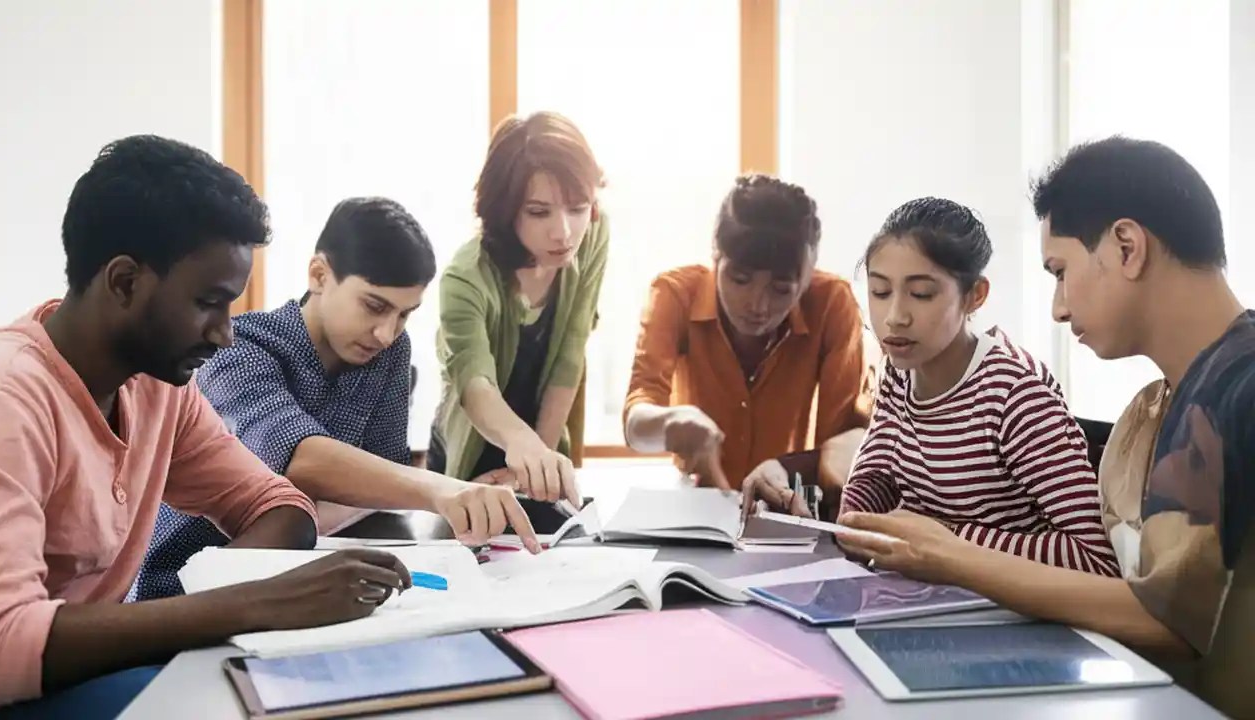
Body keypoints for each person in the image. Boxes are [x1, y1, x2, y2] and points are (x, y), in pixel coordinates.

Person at [0, 136, 409, 717]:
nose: (225, 333)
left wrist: (238, 604)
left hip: (96, 673)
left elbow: (276, 504)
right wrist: (255, 603)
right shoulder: (2, 398)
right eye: (209, 302)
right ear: (125, 282)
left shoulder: (158, 386)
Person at [837, 138, 1254, 717]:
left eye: (1061, 272)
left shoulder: (1237, 389)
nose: (1057, 308)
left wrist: (948, 550)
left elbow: (1171, 623)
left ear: (1127, 248)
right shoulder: (1156, 407)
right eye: (880, 293)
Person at [133, 198, 541, 601]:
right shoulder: (238, 349)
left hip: (308, 567)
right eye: (374, 306)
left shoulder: (389, 354)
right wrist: (439, 489)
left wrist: (453, 494)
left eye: (404, 314)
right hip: (183, 583)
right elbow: (296, 459)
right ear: (319, 274)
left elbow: (388, 475)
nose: (386, 332)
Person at [838, 197, 1118, 576]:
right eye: (880, 292)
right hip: (936, 601)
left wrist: (947, 541)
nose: (894, 318)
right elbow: (878, 474)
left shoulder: (1014, 394)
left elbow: (1095, 558)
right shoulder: (899, 373)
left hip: (1018, 615)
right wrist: (849, 523)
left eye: (921, 294)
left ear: (975, 295)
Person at [623, 175, 872, 516]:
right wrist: (671, 424)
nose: (757, 304)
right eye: (739, 280)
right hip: (698, 506)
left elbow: (840, 447)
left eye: (781, 288)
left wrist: (786, 469)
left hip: (787, 503)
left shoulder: (831, 303)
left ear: (809, 274)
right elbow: (636, 421)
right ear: (715, 255)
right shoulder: (675, 294)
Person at [428, 111, 607, 518]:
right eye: (539, 212)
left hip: (539, 440)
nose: (563, 232)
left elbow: (570, 355)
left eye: (578, 207)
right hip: (472, 443)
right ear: (506, 211)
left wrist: (536, 465)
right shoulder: (464, 278)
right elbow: (476, 386)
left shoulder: (593, 234)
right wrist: (523, 451)